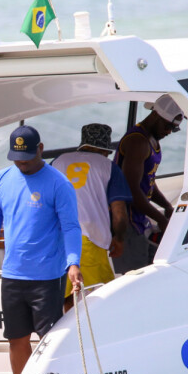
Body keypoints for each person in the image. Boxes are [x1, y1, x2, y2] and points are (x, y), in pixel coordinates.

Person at [0, 125, 83, 374]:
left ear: (41, 149)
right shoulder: (1, 179)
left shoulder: (60, 183)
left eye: (26, 157)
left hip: (47, 276)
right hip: (13, 275)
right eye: (16, 157)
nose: (21, 163)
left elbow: (71, 226)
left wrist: (73, 264)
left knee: (49, 342)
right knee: (16, 340)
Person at [51, 123, 133, 297]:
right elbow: (119, 213)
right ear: (104, 150)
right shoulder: (108, 166)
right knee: (96, 299)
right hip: (88, 241)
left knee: (64, 299)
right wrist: (118, 239)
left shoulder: (58, 162)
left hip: (56, 239)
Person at [112, 95, 184, 273]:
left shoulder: (152, 140)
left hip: (139, 217)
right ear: (156, 116)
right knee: (133, 277)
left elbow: (148, 181)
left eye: (174, 129)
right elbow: (131, 191)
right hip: (127, 220)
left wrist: (166, 206)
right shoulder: (138, 142)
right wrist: (161, 219)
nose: (168, 132)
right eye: (168, 127)